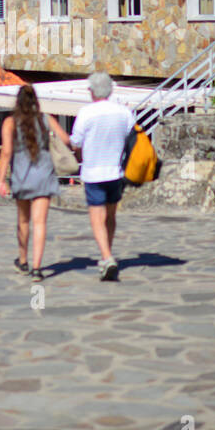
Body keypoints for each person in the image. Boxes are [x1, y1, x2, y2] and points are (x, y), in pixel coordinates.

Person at [0, 84, 71, 283]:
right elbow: (66, 139)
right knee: (40, 223)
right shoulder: (46, 119)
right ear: (35, 101)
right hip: (44, 174)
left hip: (22, 175)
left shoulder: (10, 122)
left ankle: (23, 260)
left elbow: (7, 152)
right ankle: (37, 268)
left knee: (23, 221)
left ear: (18, 102)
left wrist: (1, 180)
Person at [70, 72, 134, 281]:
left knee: (97, 218)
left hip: (93, 172)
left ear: (92, 91)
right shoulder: (124, 112)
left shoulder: (86, 113)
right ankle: (107, 253)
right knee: (111, 216)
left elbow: (76, 142)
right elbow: (131, 137)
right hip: (116, 171)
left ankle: (106, 256)